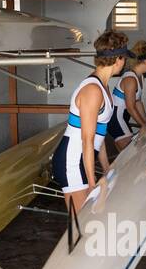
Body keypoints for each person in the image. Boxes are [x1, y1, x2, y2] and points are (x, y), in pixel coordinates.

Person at [51, 30, 131, 215]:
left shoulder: (104, 87)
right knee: (83, 224)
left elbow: (98, 136)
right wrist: (92, 182)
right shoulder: (93, 91)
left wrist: (106, 168)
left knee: (90, 219)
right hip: (71, 161)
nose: (125, 62)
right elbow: (87, 141)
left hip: (83, 158)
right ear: (118, 59)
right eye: (125, 58)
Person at [108, 40, 146, 150]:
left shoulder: (140, 77)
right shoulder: (130, 79)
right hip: (115, 119)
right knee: (129, 154)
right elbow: (131, 108)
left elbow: (138, 103)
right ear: (145, 61)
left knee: (126, 155)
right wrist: (143, 126)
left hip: (123, 117)